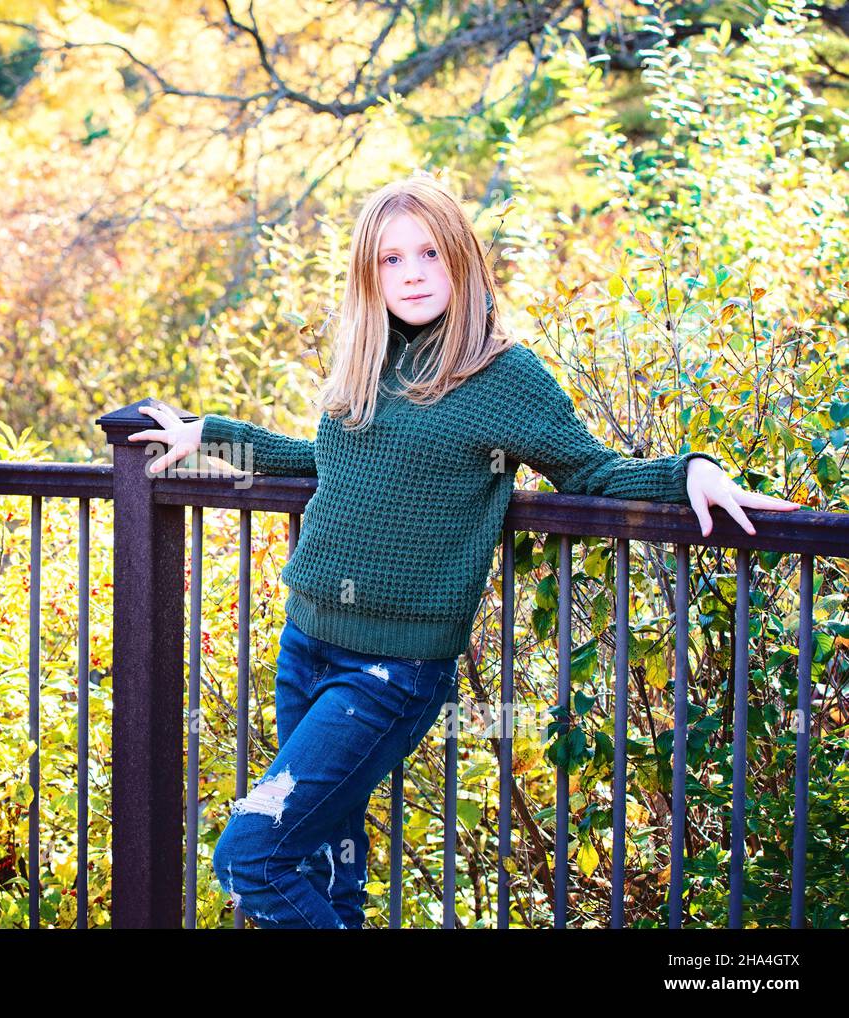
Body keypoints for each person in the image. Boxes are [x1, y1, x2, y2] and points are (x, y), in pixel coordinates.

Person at [128, 172, 802, 929]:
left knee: (251, 857)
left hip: (389, 674)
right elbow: (337, 463)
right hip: (306, 645)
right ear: (368, 274)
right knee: (323, 870)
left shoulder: (501, 375)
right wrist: (210, 436)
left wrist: (691, 473)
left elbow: (592, 471)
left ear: (462, 261)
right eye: (390, 260)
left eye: (428, 254)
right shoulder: (369, 359)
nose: (411, 274)